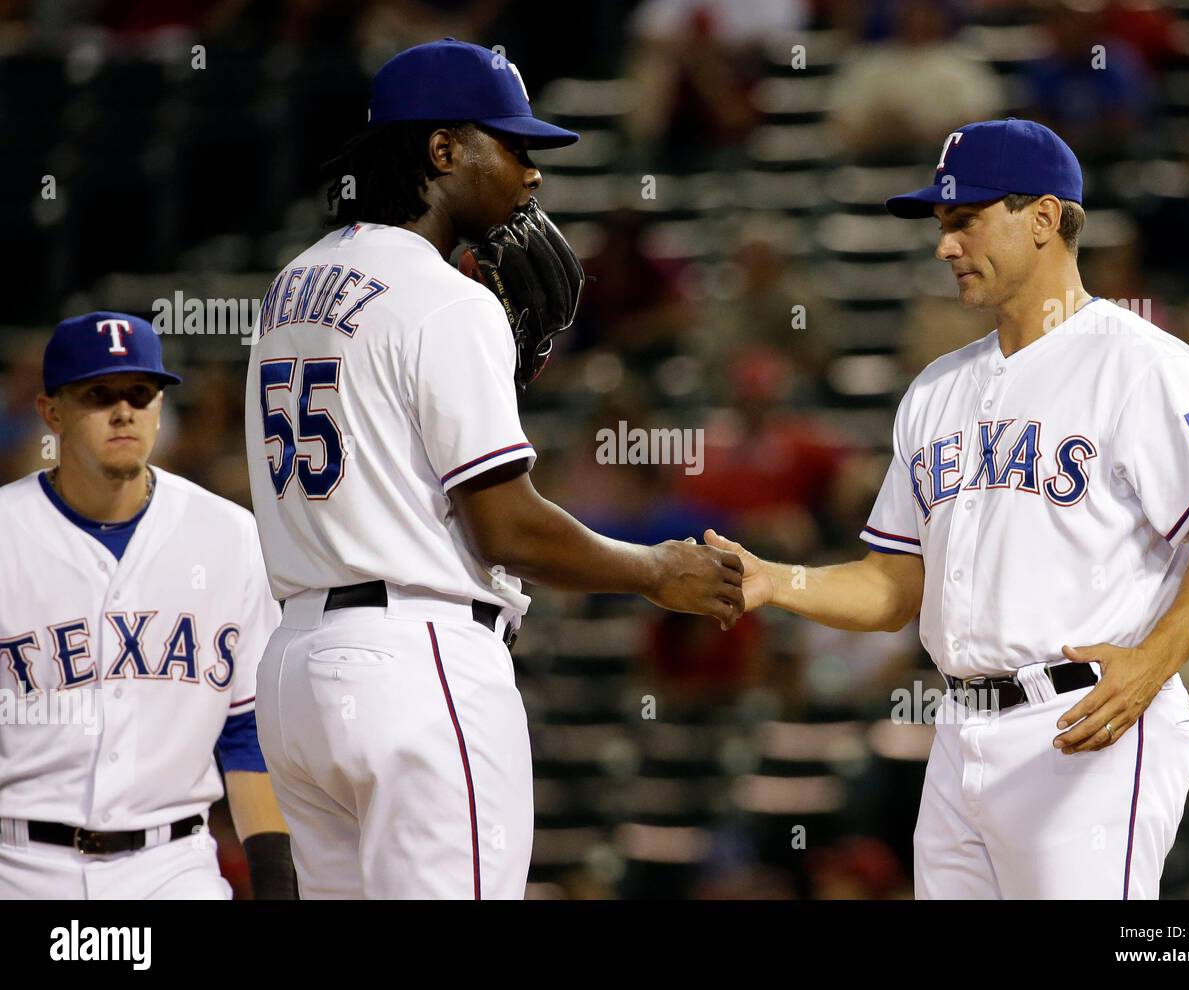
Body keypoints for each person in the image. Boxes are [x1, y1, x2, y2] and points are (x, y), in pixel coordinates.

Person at [706, 119, 1189, 899]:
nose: (945, 245)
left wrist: (1152, 665)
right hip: (957, 733)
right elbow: (895, 587)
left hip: (1084, 726)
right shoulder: (936, 389)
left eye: (965, 220)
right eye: (941, 225)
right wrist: (779, 582)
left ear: (1043, 218)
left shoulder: (1140, 364)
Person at [244, 39, 743, 900]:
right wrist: (655, 569)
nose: (532, 175)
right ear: (443, 151)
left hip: (295, 674)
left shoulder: (291, 283)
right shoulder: (448, 299)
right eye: (512, 148)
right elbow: (506, 527)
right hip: (417, 659)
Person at [0, 312, 292, 899]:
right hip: (22, 869)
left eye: (140, 392)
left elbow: (247, 734)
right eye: (98, 394)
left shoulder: (229, 536)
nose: (123, 411)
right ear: (52, 412)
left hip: (174, 867)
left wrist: (276, 887)